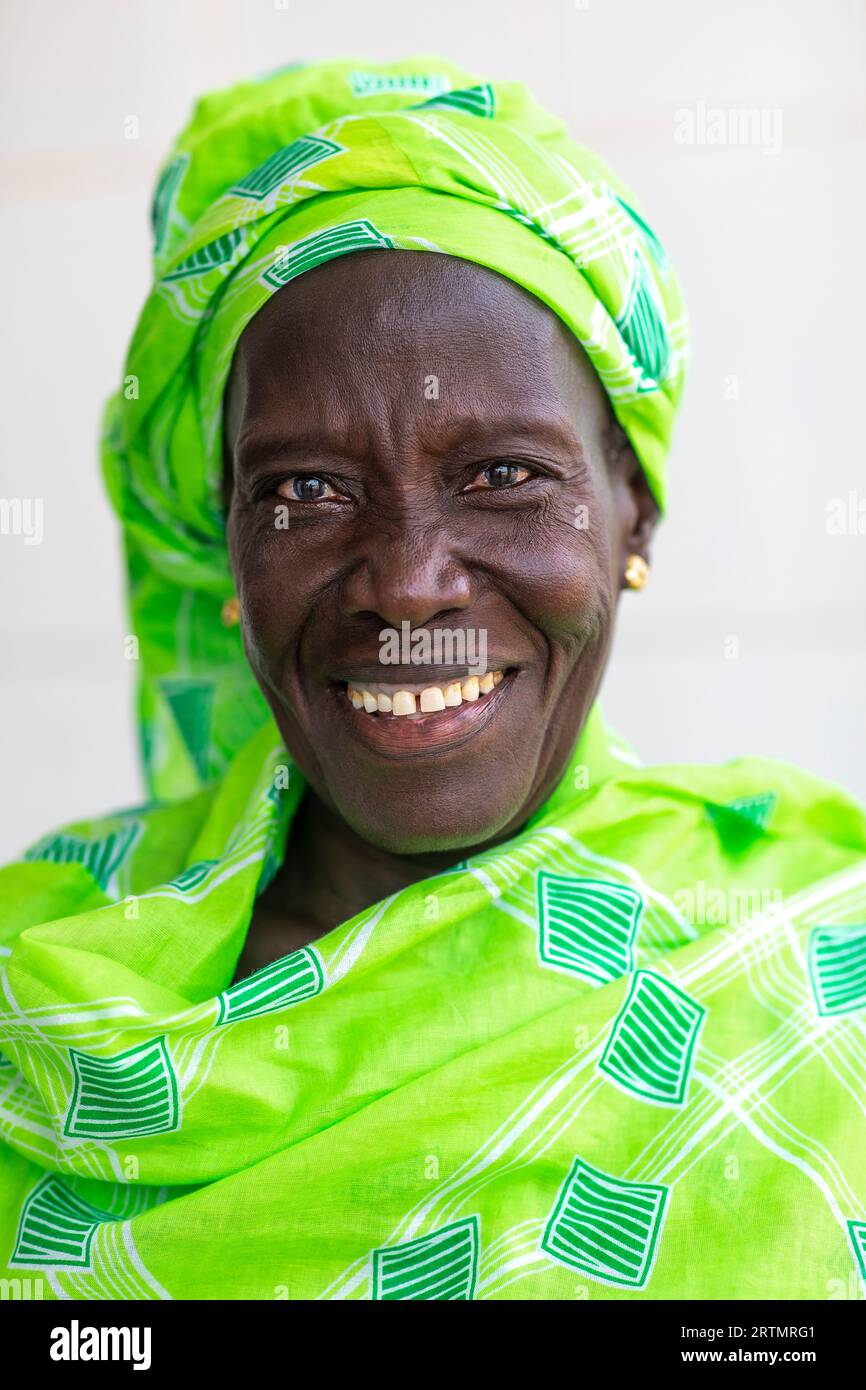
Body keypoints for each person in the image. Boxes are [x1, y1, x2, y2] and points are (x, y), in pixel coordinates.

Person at [1, 56, 864, 1302]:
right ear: (225, 546)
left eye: (504, 474)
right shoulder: (48, 981)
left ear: (633, 511)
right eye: (302, 489)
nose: (408, 587)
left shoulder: (816, 961)